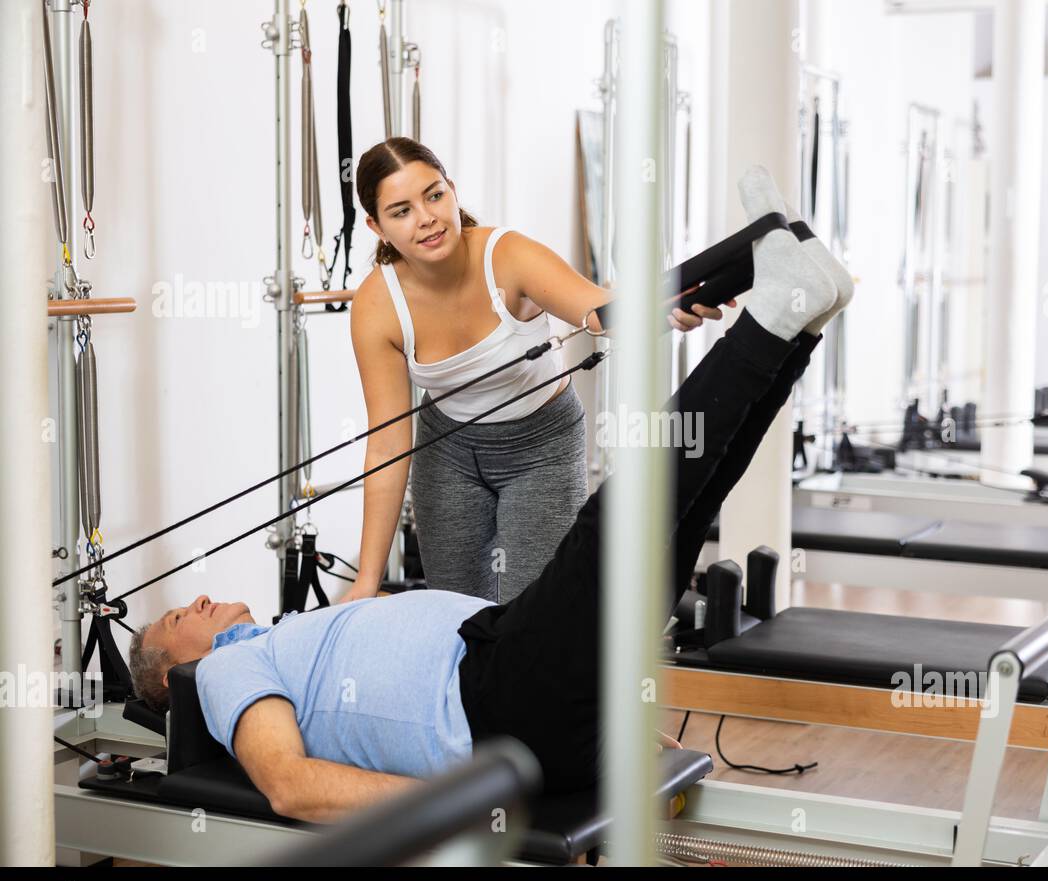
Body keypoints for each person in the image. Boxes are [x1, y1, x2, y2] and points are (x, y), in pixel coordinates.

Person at [125, 167, 855, 823]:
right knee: (630, 514)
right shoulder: (223, 673)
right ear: (174, 675)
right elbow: (290, 786)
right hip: (498, 697)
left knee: (685, 508)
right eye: (172, 622)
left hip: (519, 681)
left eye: (434, 194)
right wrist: (471, 803)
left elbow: (597, 309)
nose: (191, 603)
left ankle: (800, 321)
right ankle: (776, 317)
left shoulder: (284, 637)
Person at [343, 137, 729, 605]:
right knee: (457, 613)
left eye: (434, 194)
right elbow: (387, 441)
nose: (425, 218)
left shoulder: (505, 255)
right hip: (448, 452)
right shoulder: (377, 305)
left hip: (541, 447)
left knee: (534, 610)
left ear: (452, 190)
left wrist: (664, 309)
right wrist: (366, 582)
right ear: (377, 227)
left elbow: (599, 311)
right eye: (401, 211)